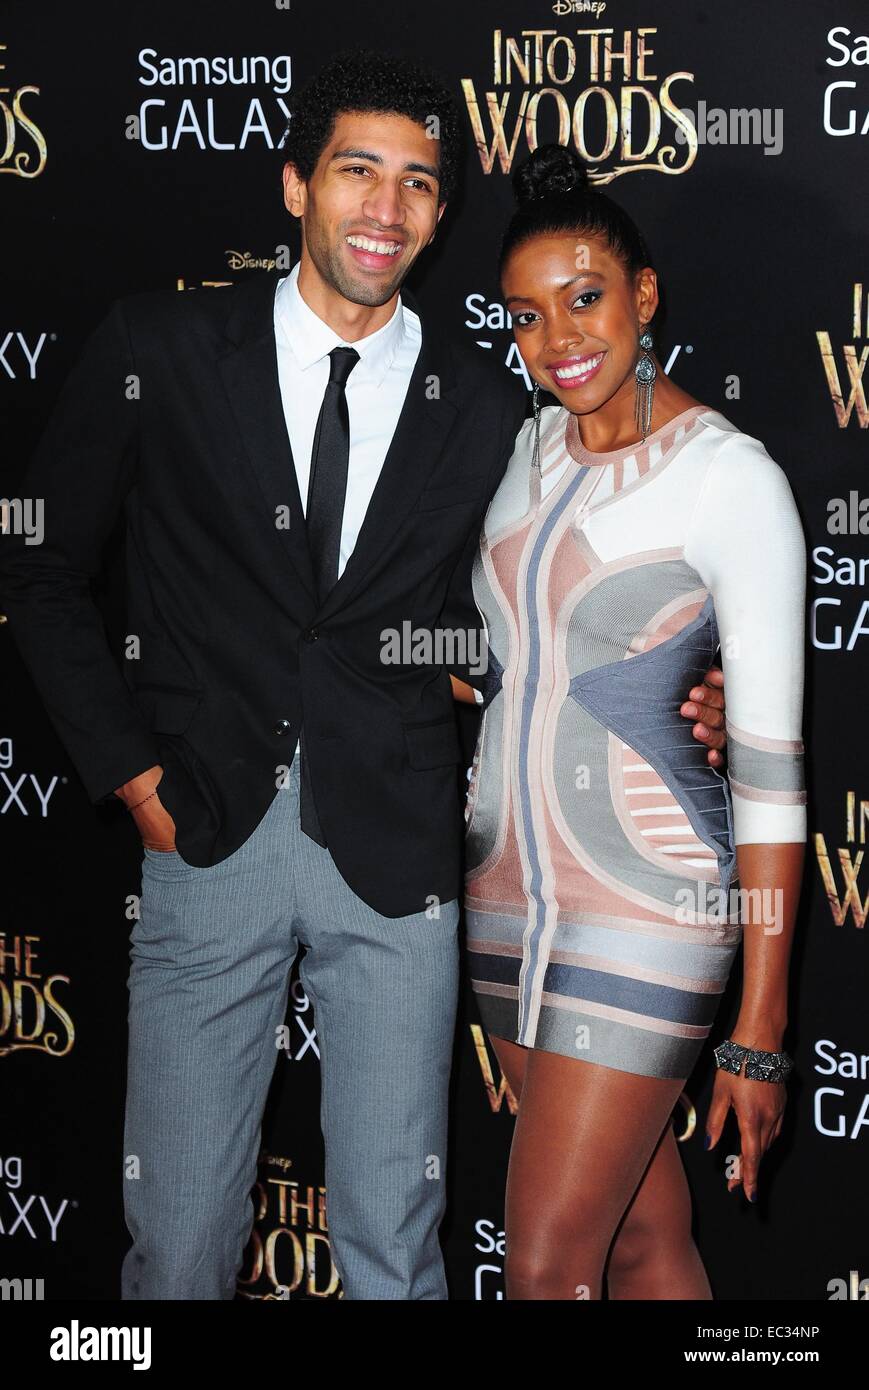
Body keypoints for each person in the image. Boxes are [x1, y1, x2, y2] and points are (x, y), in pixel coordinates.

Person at [0, 59, 728, 1301]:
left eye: (415, 184)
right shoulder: (161, 346)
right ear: (295, 185)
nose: (384, 208)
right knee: (176, 1248)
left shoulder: (488, 408)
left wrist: (666, 695)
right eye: (355, 171)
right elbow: (39, 567)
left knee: (397, 1247)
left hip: (397, 858)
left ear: (440, 216)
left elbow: (498, 627)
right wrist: (134, 780)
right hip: (206, 836)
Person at [453, 145, 806, 1300]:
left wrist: (756, 1026)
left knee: (544, 1269)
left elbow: (764, 772)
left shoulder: (730, 478)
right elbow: (514, 660)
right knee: (644, 1240)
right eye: (524, 314)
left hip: (649, 906)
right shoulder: (527, 446)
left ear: (643, 294)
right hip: (503, 908)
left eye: (585, 297)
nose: (557, 337)